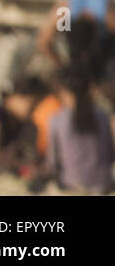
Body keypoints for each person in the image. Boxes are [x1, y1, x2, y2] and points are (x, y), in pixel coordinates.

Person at [45, 65, 114, 194]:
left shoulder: (57, 120)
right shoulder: (103, 115)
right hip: (104, 184)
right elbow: (110, 155)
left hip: (73, 184)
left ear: (62, 91)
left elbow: (53, 163)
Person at [0, 77, 47, 176]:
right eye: (32, 105)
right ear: (17, 96)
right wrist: (20, 164)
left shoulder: (16, 120)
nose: (33, 112)